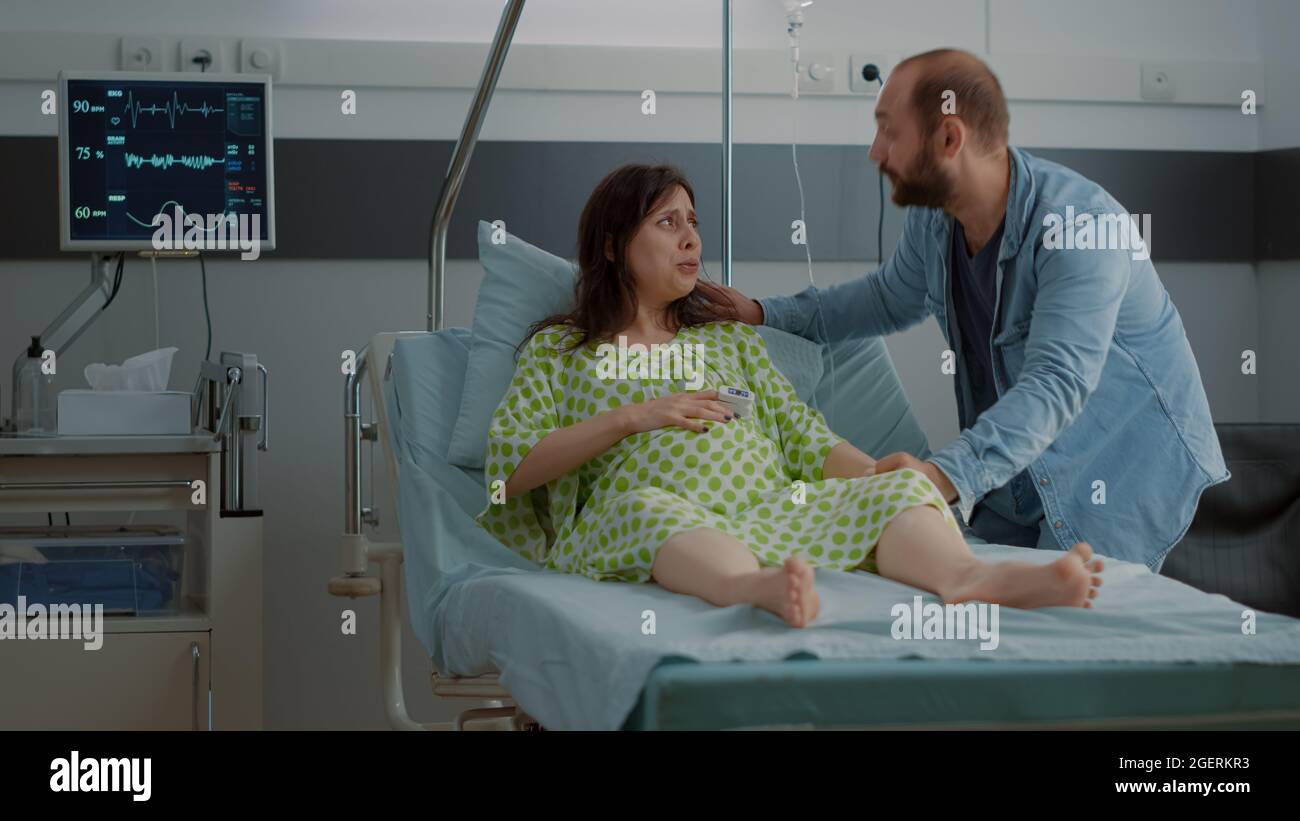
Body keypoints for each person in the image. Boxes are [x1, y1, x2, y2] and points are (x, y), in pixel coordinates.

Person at [476, 163, 1102, 629]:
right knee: (649, 506)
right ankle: (755, 589)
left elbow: (802, 435)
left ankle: (971, 578)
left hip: (771, 511)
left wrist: (878, 472)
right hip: (648, 516)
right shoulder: (562, 352)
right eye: (668, 223)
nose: (691, 239)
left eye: (693, 222)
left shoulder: (731, 343)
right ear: (613, 246)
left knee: (904, 484)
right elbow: (511, 471)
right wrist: (635, 417)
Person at [701, 49, 1228, 572]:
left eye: (889, 130)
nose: (875, 151)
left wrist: (942, 475)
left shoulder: (1081, 227)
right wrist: (761, 313)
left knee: (1067, 636)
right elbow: (884, 300)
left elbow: (1058, 381)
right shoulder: (938, 222)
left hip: (1120, 469)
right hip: (1017, 475)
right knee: (988, 609)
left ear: (949, 138)